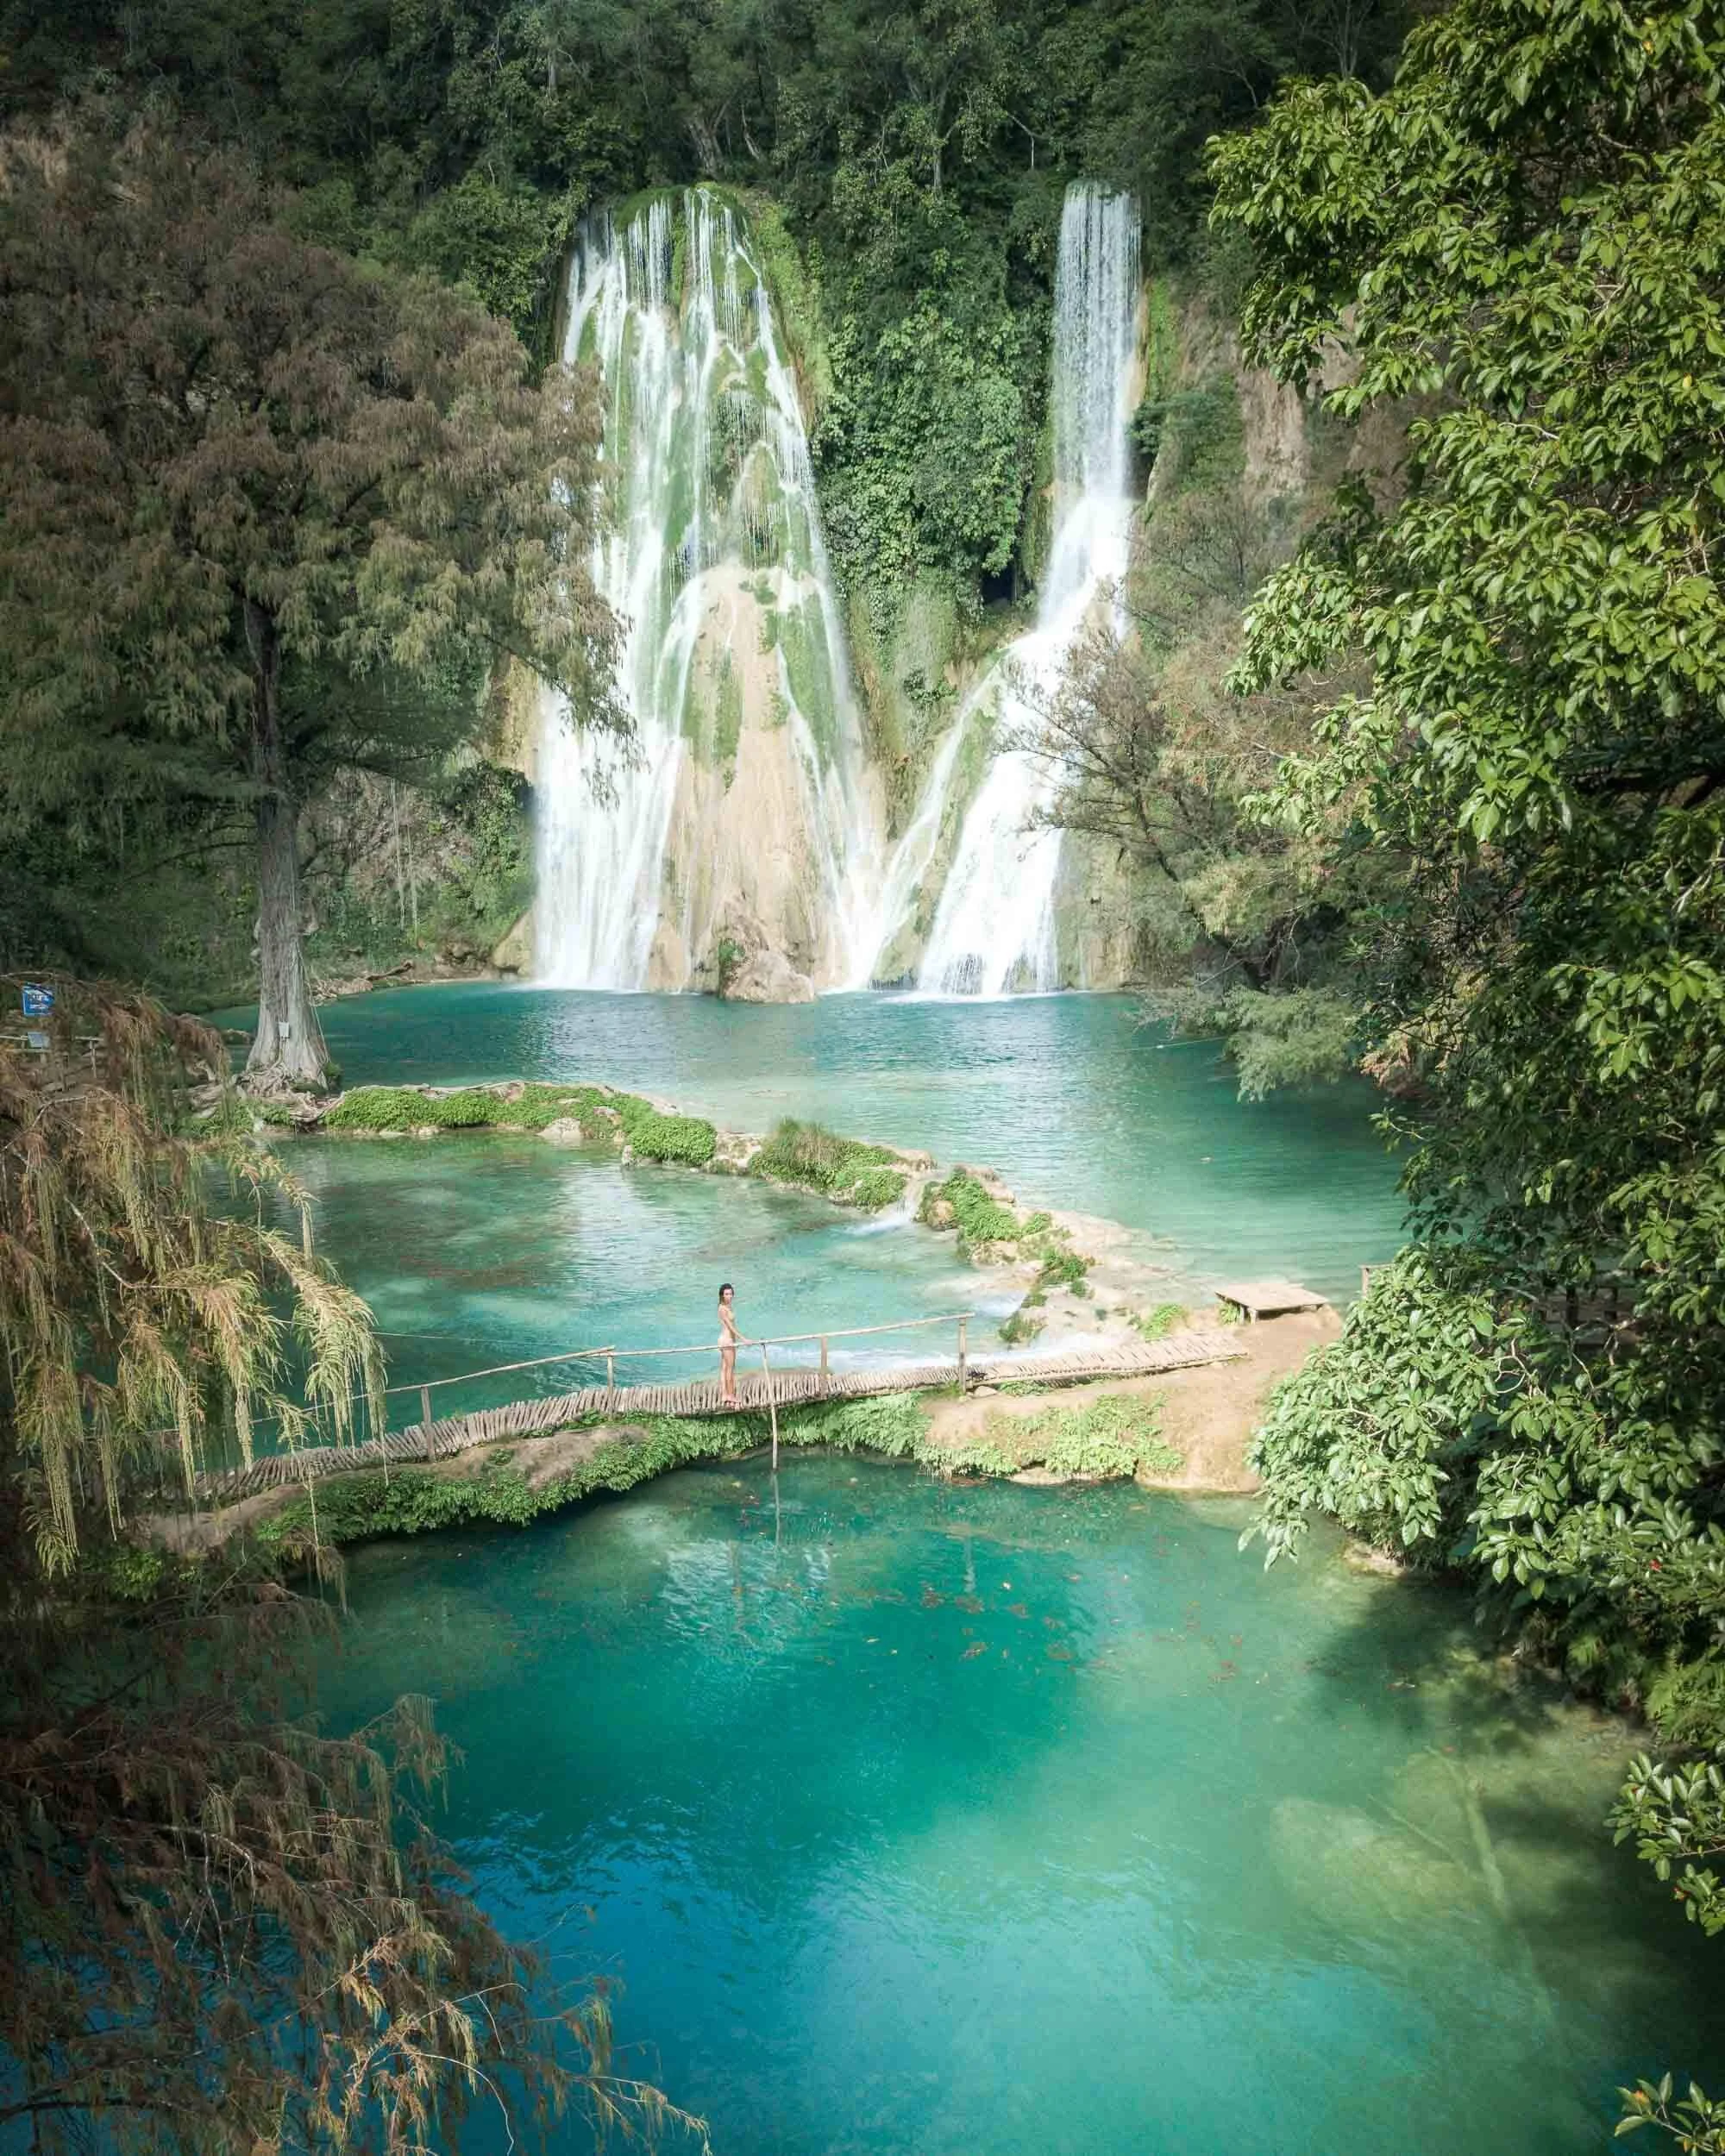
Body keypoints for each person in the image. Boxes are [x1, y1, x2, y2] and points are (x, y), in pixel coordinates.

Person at [717, 1281, 741, 1406]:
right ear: (722, 1295)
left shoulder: (727, 1307)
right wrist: (743, 1338)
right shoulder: (722, 1309)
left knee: (725, 1368)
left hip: (725, 1340)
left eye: (731, 1294)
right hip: (727, 1341)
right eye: (726, 1294)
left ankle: (724, 1394)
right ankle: (731, 1395)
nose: (729, 1296)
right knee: (730, 1370)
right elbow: (730, 1327)